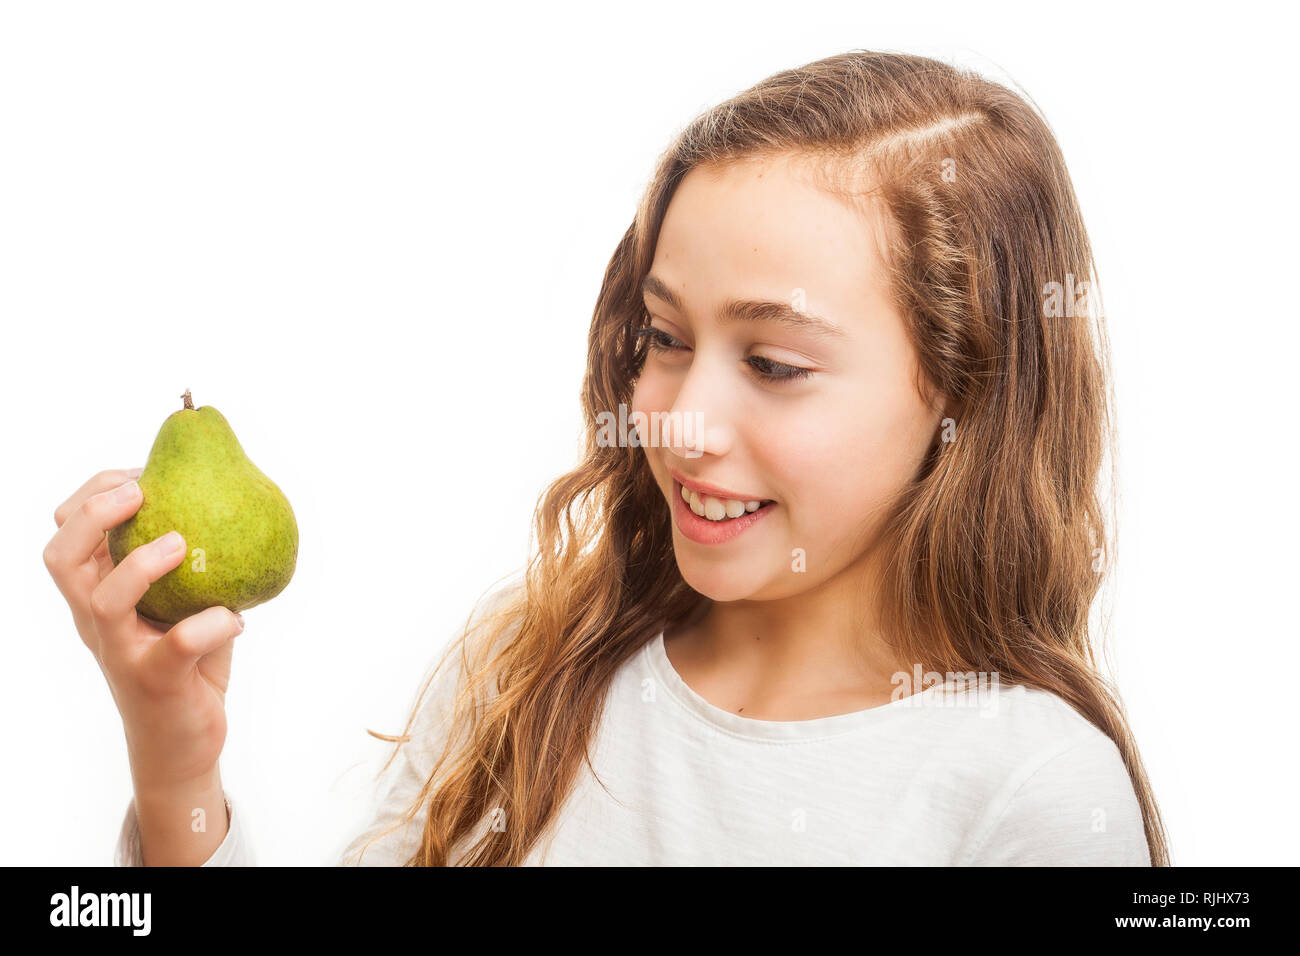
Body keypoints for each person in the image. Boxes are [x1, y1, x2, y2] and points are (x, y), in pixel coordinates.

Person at [43, 49, 1168, 866]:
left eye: (773, 361)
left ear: (964, 391)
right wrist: (174, 764)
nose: (676, 420)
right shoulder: (533, 670)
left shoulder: (1031, 791)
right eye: (665, 338)